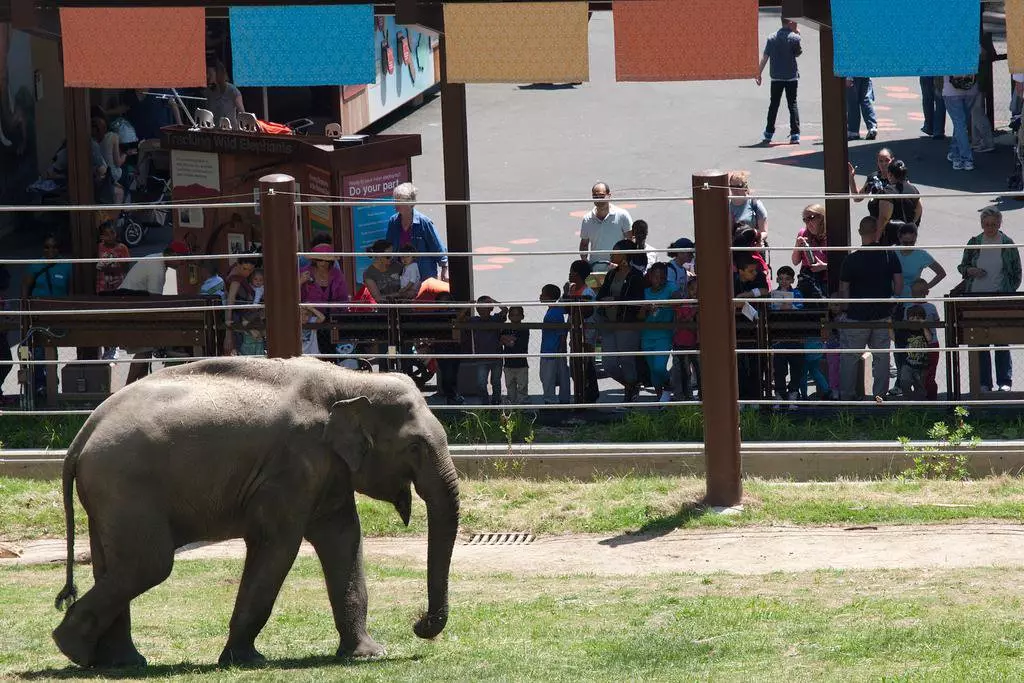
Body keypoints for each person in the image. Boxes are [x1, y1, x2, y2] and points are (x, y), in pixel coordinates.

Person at [838, 217, 903, 400]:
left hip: (856, 316)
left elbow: (844, 288)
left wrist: (844, 310)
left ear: (859, 232)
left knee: (850, 359)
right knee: (882, 359)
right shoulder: (889, 256)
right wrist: (894, 302)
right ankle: (879, 396)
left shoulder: (851, 259)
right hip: (882, 314)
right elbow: (898, 282)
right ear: (878, 232)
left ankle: (847, 397)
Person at [957, 207, 1022, 392]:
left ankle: (1005, 382)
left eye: (994, 224)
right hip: (976, 299)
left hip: (999, 299)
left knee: (1002, 339)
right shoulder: (975, 242)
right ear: (981, 224)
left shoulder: (1007, 243)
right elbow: (962, 266)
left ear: (1000, 224)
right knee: (980, 340)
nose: (990, 228)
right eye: (987, 224)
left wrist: (1007, 292)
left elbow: (1017, 273)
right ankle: (984, 383)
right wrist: (970, 271)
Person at [596, 240, 646, 401]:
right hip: (609, 323)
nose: (612, 253)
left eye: (615, 251)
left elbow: (637, 300)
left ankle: (630, 394)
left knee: (627, 360)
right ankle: (631, 385)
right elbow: (600, 296)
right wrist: (604, 300)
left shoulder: (636, 276)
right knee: (608, 363)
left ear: (625, 254)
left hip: (627, 324)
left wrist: (616, 299)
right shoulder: (611, 274)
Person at [386, 183, 449, 282]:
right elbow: (388, 247)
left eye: (400, 201)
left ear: (411, 203)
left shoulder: (424, 222)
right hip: (403, 277)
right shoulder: (393, 222)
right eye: (395, 200)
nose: (396, 204)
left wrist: (444, 270)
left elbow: (437, 248)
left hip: (424, 276)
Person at [756, 17, 802, 145]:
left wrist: (758, 72)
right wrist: (798, 34)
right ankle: (795, 134)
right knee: (792, 103)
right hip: (791, 76)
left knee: (774, 104)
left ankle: (769, 132)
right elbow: (798, 53)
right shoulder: (795, 38)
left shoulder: (771, 38)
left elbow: (765, 57)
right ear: (791, 23)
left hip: (776, 76)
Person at [300, 243, 350, 356]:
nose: (323, 263)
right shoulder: (303, 272)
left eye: (326, 260)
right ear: (314, 260)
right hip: (309, 319)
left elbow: (343, 298)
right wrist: (300, 281)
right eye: (320, 260)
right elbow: (292, 296)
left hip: (332, 319)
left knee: (331, 352)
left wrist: (340, 314)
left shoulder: (337, 274)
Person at [565, 259, 600, 403]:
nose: (569, 274)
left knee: (586, 364)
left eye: (571, 272)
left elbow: (588, 313)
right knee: (575, 364)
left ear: (577, 274)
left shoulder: (588, 292)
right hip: (574, 333)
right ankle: (581, 392)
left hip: (586, 334)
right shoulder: (571, 289)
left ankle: (589, 393)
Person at [640, 262, 675, 403]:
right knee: (653, 372)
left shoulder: (671, 287)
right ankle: (661, 401)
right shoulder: (645, 292)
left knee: (659, 367)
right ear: (650, 277)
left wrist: (670, 301)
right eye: (655, 277)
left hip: (664, 335)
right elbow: (640, 317)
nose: (659, 280)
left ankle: (670, 384)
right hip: (647, 335)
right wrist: (645, 309)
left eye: (662, 277)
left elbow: (678, 297)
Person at [770, 265, 805, 409]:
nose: (783, 281)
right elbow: (771, 308)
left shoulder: (797, 293)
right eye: (781, 278)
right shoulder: (773, 294)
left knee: (796, 367)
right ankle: (779, 394)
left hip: (795, 335)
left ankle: (793, 394)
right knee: (779, 368)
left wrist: (791, 307)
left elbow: (801, 307)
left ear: (792, 280)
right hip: (779, 336)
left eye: (787, 279)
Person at [579, 181, 633, 269]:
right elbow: (584, 244)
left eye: (601, 196)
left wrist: (624, 262)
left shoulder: (622, 215)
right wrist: (586, 263)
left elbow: (631, 241)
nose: (598, 199)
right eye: (595, 196)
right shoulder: (587, 219)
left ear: (609, 195)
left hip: (618, 270)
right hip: (595, 269)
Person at [471, 295, 507, 405]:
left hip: (496, 357)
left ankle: (496, 401)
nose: (484, 309)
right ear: (477, 309)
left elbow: (505, 309)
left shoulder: (496, 318)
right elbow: (459, 320)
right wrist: (469, 305)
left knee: (496, 382)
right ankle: (485, 403)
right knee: (481, 383)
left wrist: (493, 301)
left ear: (491, 308)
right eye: (481, 307)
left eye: (487, 307)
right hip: (481, 358)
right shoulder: (474, 320)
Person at [876, 160, 922, 244]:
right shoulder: (913, 189)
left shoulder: (888, 191)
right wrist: (909, 226)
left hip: (891, 238)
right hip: (907, 239)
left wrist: (876, 239)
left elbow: (884, 218)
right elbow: (918, 211)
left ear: (889, 175)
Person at [538, 284, 570, 404]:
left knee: (547, 378)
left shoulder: (555, 313)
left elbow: (561, 333)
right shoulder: (555, 310)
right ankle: (562, 399)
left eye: (543, 294)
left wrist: (561, 349)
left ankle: (550, 401)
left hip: (551, 350)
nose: (540, 296)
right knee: (557, 376)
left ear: (549, 296)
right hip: (551, 349)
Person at [895, 223, 945, 298]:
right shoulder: (892, 252)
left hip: (913, 299)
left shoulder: (922, 254)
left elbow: (941, 273)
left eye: (912, 243)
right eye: (905, 243)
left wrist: (926, 287)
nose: (908, 246)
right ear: (899, 238)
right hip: (893, 297)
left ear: (915, 238)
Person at [671, 277, 700, 400]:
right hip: (681, 342)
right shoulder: (683, 304)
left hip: (695, 343)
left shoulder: (699, 306)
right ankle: (687, 397)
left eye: (698, 290)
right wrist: (693, 312)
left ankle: (701, 395)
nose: (695, 292)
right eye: (692, 289)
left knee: (699, 371)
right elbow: (680, 322)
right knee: (685, 372)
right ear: (688, 289)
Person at [943, 75, 978, 171]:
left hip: (951, 90)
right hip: (971, 88)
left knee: (959, 125)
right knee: (961, 125)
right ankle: (954, 151)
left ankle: (964, 158)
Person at [848, 148, 894, 219]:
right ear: (877, 162)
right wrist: (851, 178)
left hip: (894, 220)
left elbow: (910, 193)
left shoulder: (898, 176)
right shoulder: (873, 177)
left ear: (892, 160)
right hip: (876, 220)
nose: (884, 163)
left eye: (887, 160)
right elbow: (857, 198)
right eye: (880, 161)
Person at [791, 204, 827, 294]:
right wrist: (798, 246)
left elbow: (842, 263)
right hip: (807, 278)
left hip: (827, 279)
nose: (807, 223)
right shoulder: (803, 233)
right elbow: (795, 262)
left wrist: (825, 266)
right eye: (805, 220)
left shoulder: (832, 233)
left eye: (811, 218)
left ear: (821, 218)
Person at [898, 305, 932, 400]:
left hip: (922, 364)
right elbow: (895, 338)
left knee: (920, 386)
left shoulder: (924, 331)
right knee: (904, 381)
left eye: (918, 317)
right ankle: (908, 402)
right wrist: (889, 327)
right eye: (912, 317)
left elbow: (929, 339)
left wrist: (924, 326)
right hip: (907, 363)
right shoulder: (905, 330)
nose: (915, 320)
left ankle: (919, 405)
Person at [500, 306, 530, 405]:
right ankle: (512, 409)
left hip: (521, 364)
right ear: (509, 316)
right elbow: (501, 340)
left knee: (522, 387)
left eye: (517, 315)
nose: (515, 317)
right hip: (508, 364)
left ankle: (522, 408)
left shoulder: (524, 329)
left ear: (522, 316)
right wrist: (509, 339)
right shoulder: (506, 328)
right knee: (510, 387)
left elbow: (517, 343)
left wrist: (508, 339)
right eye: (512, 315)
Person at [728, 171, 768, 242]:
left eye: (738, 187)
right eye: (732, 187)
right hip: (735, 248)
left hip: (752, 246)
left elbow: (764, 232)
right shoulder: (728, 206)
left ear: (745, 187)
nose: (735, 190)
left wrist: (757, 238)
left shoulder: (755, 204)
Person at [204, 61, 244, 129]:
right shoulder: (209, 92)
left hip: (231, 132)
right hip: (215, 131)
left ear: (218, 73)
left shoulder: (233, 91)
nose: (207, 76)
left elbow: (242, 112)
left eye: (209, 72)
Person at [95, 221, 130, 294]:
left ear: (116, 233)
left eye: (112, 233)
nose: (111, 237)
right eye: (107, 235)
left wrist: (109, 269)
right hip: (103, 286)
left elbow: (126, 268)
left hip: (120, 286)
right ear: (101, 237)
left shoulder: (122, 248)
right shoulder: (99, 247)